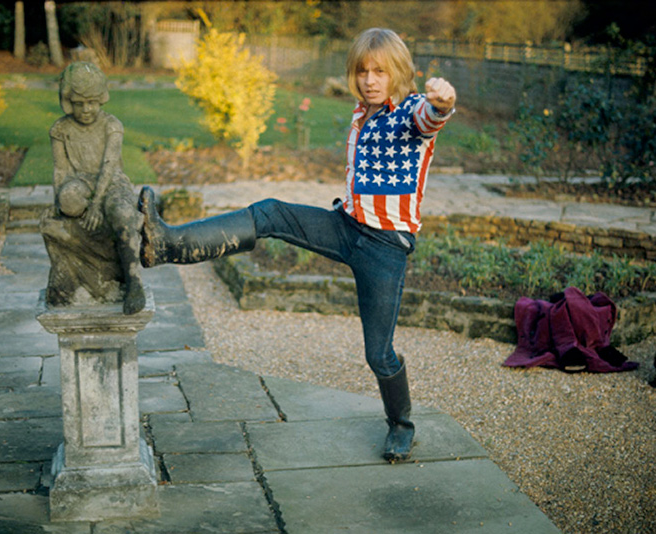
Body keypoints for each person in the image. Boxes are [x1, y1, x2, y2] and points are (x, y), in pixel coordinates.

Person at [138, 28, 456, 462]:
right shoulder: (362, 114)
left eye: (380, 71)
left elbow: (431, 118)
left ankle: (401, 425)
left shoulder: (410, 113)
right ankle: (170, 244)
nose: (370, 79)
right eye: (362, 71)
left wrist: (443, 101)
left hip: (384, 248)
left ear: (399, 73)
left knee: (378, 353)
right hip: (345, 227)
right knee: (269, 212)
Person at [45, 61, 146, 315]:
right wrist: (58, 202)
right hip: (81, 181)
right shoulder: (61, 129)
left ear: (101, 99)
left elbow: (110, 165)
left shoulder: (112, 125)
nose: (86, 109)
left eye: (91, 102)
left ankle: (133, 281)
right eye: (79, 103)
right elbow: (61, 170)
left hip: (111, 181)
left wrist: (98, 204)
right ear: (68, 101)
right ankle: (79, 272)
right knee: (68, 201)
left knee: (121, 214)